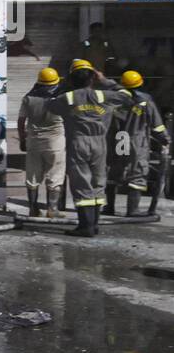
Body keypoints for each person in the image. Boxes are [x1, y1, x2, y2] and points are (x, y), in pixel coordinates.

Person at [47, 59, 137, 237]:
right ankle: (94, 225)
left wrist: (65, 84)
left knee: (82, 183)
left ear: (72, 79)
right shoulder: (104, 96)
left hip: (78, 143)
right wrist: (105, 81)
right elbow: (128, 97)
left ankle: (85, 227)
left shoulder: (67, 98)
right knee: (97, 182)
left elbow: (49, 104)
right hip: (100, 144)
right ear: (92, 79)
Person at [104, 69, 168, 216]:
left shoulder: (116, 99)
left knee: (115, 170)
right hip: (136, 141)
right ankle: (132, 210)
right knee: (137, 172)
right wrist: (165, 140)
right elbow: (157, 125)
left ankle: (109, 207)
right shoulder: (145, 101)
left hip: (120, 139)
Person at [18, 67, 66, 218]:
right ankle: (52, 209)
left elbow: (21, 121)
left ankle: (33, 209)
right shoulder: (61, 99)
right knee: (55, 175)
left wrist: (22, 139)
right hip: (55, 143)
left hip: (34, 142)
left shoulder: (28, 98)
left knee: (32, 176)